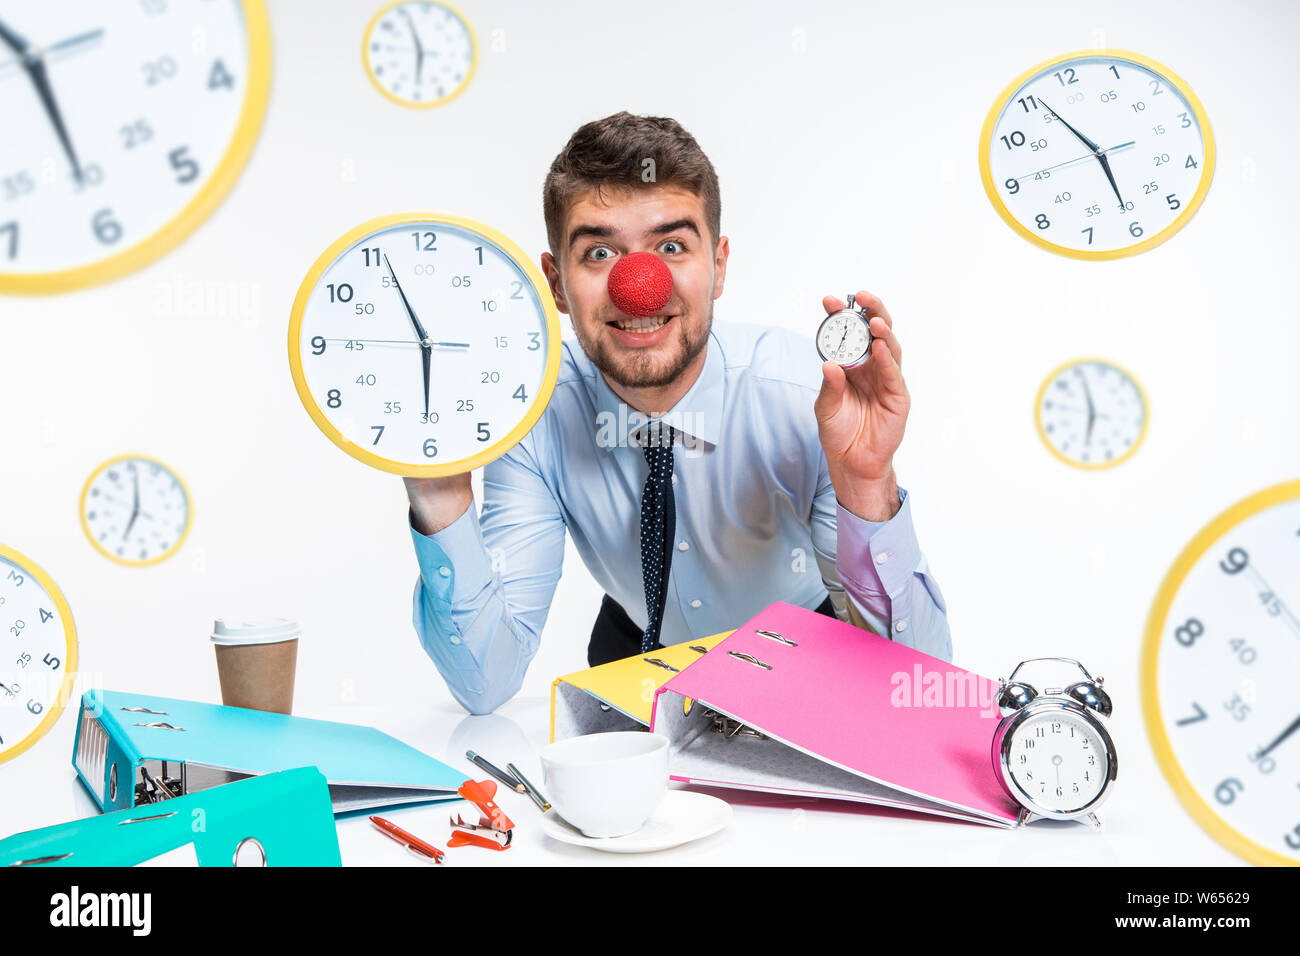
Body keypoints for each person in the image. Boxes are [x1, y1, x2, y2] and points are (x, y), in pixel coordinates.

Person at [403, 112, 950, 715]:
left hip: (807, 662)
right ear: (556, 284)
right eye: (601, 251)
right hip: (635, 663)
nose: (641, 285)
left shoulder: (808, 398)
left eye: (670, 246)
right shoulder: (532, 414)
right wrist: (440, 494)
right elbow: (485, 685)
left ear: (717, 265)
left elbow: (916, 689)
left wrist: (866, 484)